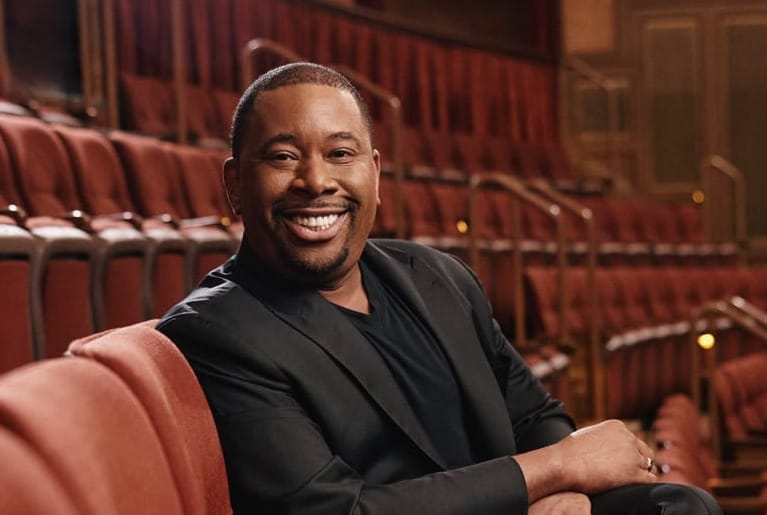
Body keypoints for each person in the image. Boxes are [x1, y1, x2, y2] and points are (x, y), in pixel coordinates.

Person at [157, 62, 721, 515]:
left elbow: (532, 416)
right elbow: (335, 510)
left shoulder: (438, 277)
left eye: (341, 154)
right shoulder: (218, 332)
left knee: (678, 505)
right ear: (235, 184)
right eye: (283, 157)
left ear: (375, 173)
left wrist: (565, 492)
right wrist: (555, 469)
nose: (317, 180)